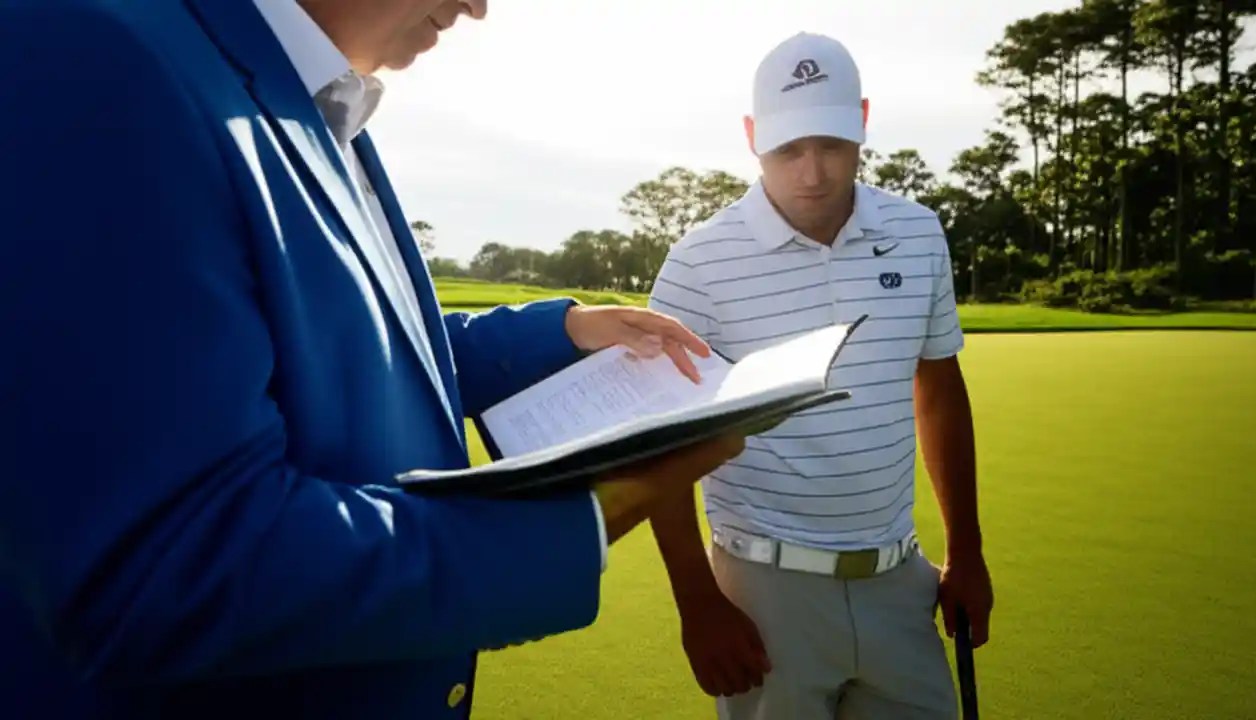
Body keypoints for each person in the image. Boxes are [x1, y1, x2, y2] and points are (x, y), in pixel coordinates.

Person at [0, 1, 745, 718]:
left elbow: (344, 344)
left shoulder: (317, 100)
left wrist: (566, 331)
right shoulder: (94, 48)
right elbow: (168, 567)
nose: (479, 6)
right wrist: (589, 517)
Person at [646, 32, 995, 719]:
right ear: (751, 136)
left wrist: (968, 551)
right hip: (764, 591)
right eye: (787, 149)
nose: (811, 172)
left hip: (900, 579)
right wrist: (697, 601)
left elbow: (939, 387)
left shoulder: (919, 232)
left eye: (831, 145)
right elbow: (660, 441)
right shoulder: (698, 262)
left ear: (861, 123)